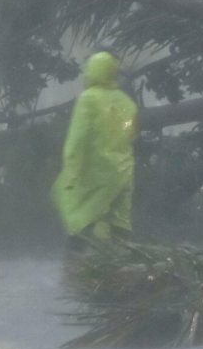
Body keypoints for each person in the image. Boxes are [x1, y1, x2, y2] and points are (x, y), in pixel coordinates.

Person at [51, 51, 138, 243]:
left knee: (80, 216)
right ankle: (124, 263)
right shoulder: (127, 102)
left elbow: (77, 138)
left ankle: (79, 261)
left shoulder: (89, 99)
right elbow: (130, 134)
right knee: (119, 225)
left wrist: (71, 170)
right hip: (124, 172)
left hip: (97, 172)